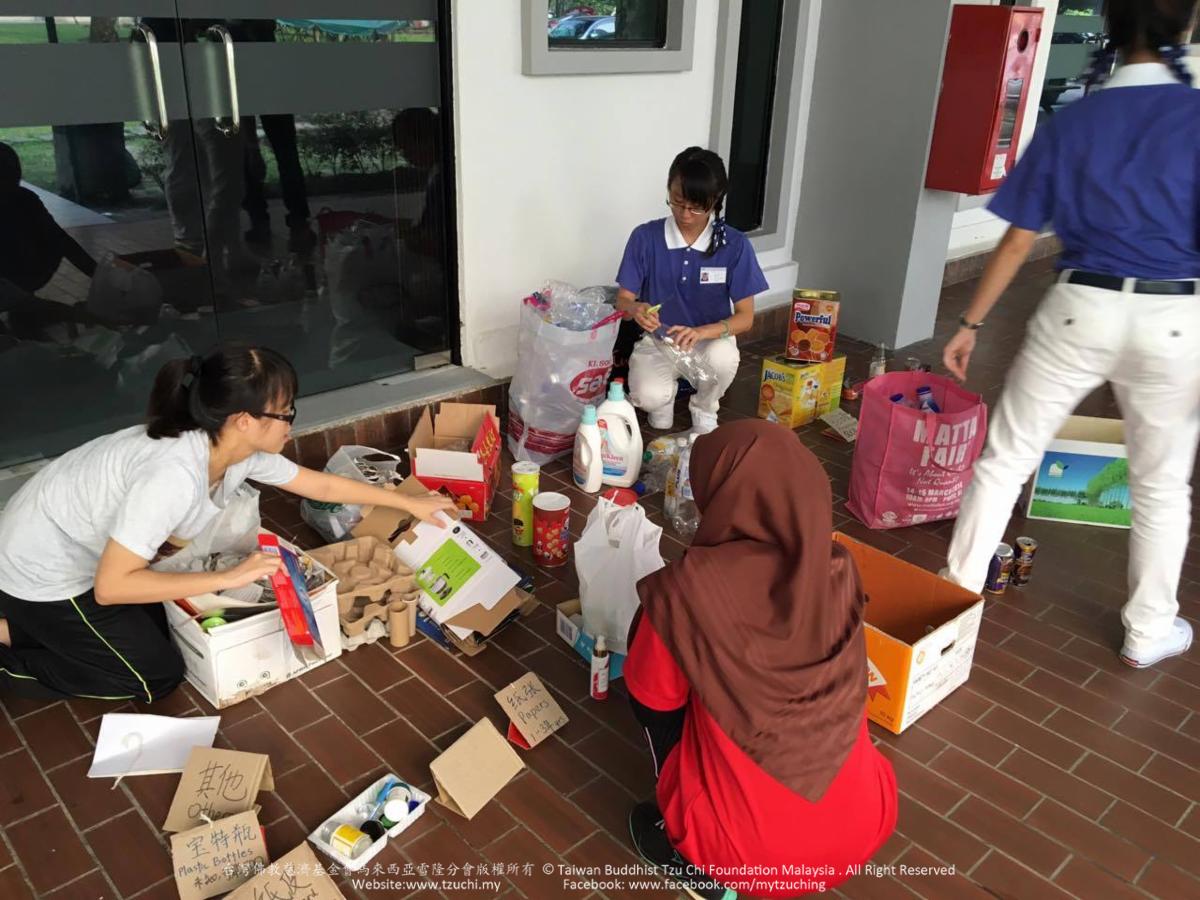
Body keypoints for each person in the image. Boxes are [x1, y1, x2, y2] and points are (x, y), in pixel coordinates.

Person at [942, 0, 1200, 669]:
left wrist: (969, 325)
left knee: (1004, 462)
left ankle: (950, 606)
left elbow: (1015, 240)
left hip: (1078, 308)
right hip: (1176, 316)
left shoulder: (1075, 119)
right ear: (1187, 25)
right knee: (1162, 485)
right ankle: (1148, 631)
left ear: (1111, 27)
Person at [0, 344, 456, 703]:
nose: (292, 424)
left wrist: (406, 503)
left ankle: (19, 625)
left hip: (71, 550)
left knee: (161, 626)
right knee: (155, 675)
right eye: (285, 413)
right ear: (243, 421)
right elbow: (111, 588)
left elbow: (321, 487)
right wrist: (229, 576)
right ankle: (13, 657)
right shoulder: (173, 475)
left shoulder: (229, 450)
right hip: (46, 569)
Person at [625, 421, 897, 898]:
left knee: (656, 687)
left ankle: (690, 852)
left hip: (748, 854)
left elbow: (653, 698)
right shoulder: (838, 571)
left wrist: (661, 625)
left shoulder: (687, 591)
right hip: (862, 828)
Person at [614, 148, 768, 435]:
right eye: (677, 202)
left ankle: (705, 406)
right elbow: (622, 299)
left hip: (710, 341)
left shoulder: (734, 245)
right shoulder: (645, 237)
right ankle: (663, 401)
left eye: (697, 207)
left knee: (723, 359)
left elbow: (745, 318)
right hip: (660, 340)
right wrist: (635, 309)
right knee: (648, 397)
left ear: (715, 201)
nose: (685, 214)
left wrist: (702, 333)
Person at [0, 142, 99, 338]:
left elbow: (61, 240)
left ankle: (23, 321)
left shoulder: (23, 199)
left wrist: (102, 278)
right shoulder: (20, 199)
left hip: (21, 278)